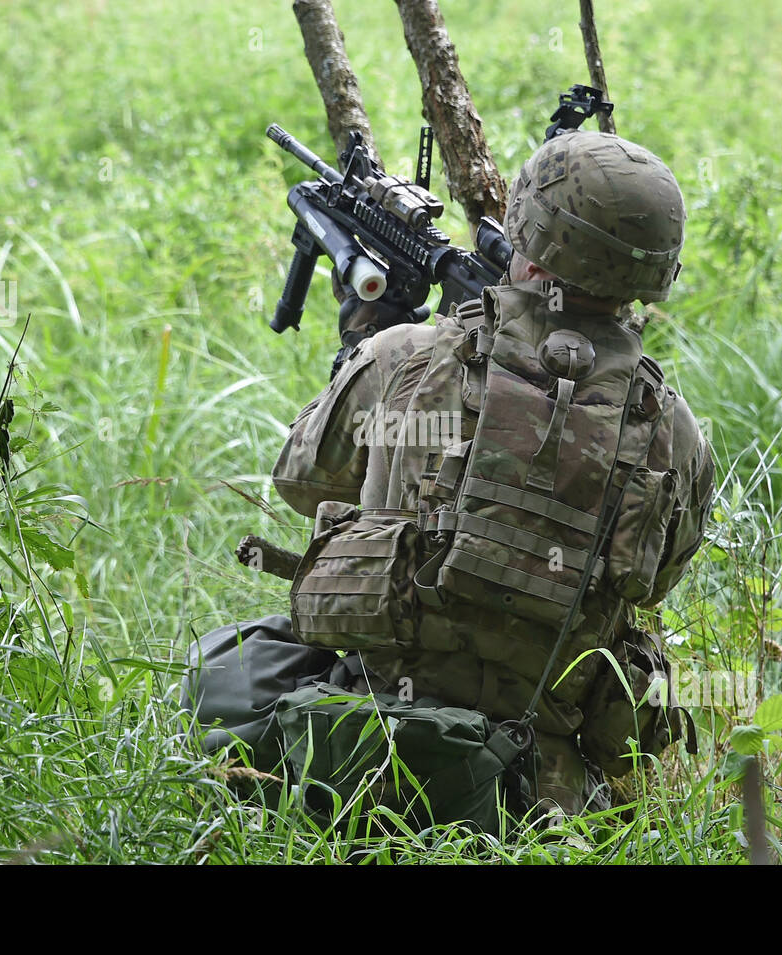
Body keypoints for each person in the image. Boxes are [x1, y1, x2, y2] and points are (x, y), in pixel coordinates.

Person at [184, 129, 715, 821]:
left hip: (358, 745)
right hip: (534, 795)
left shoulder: (407, 354)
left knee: (225, 662)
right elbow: (655, 577)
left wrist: (366, 345)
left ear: (525, 228)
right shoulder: (676, 433)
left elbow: (301, 481)